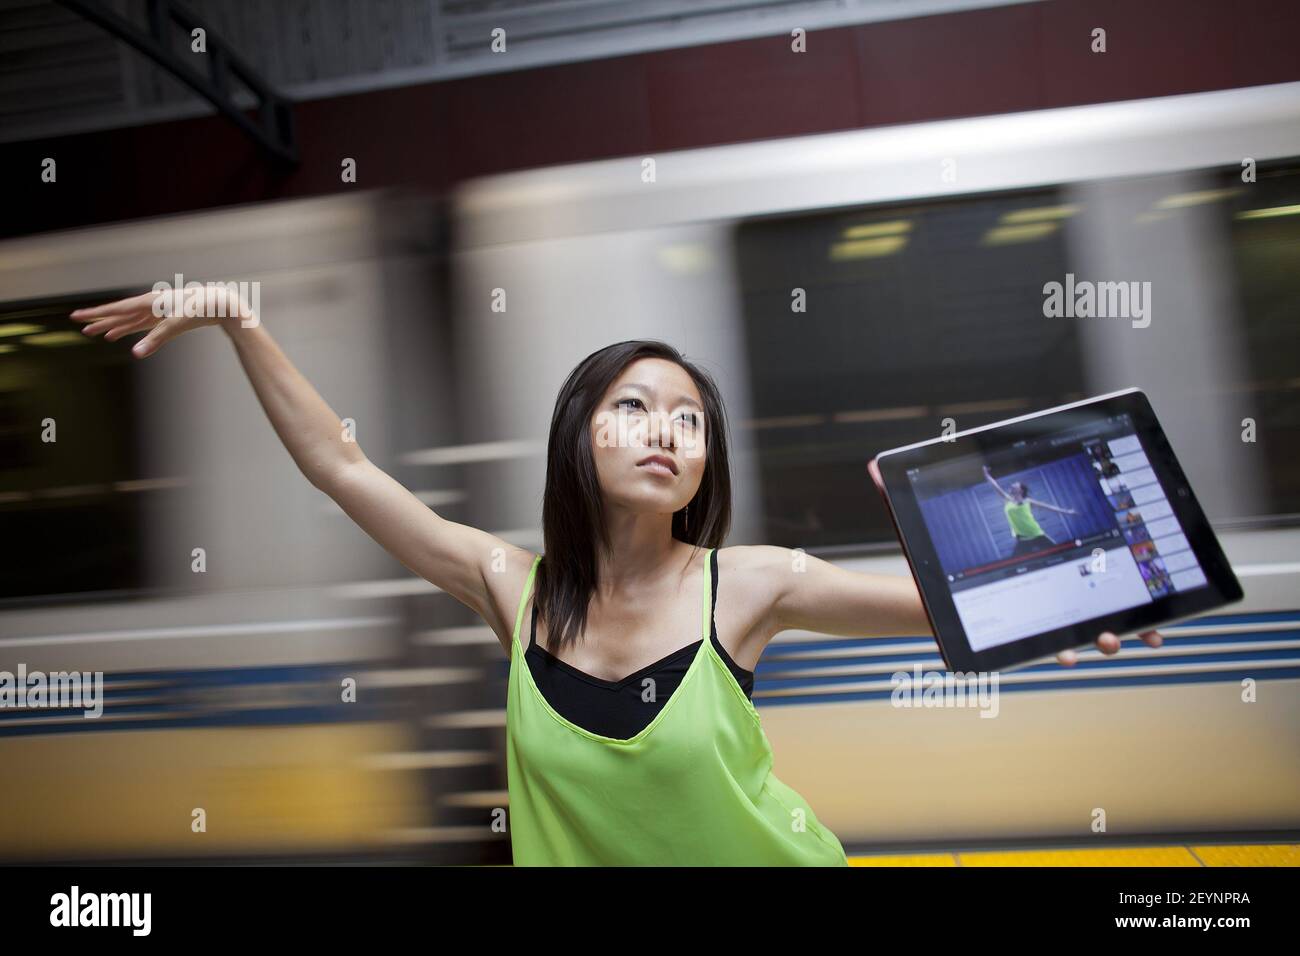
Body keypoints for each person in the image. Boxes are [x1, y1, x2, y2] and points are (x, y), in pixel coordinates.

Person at [69, 284, 1162, 866]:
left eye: (689, 417)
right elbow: (340, 465)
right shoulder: (509, 584)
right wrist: (240, 321)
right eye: (633, 405)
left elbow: (946, 604)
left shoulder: (756, 582)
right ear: (575, 438)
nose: (666, 429)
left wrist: (1080, 599)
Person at [982, 465, 1078, 557]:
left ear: (1020, 490)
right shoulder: (1007, 500)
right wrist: (986, 474)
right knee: (1015, 564)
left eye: (1015, 485)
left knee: (1060, 553)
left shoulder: (1027, 501)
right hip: (1022, 539)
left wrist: (1067, 512)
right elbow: (996, 486)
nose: (1012, 485)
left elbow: (1048, 507)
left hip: (1037, 534)